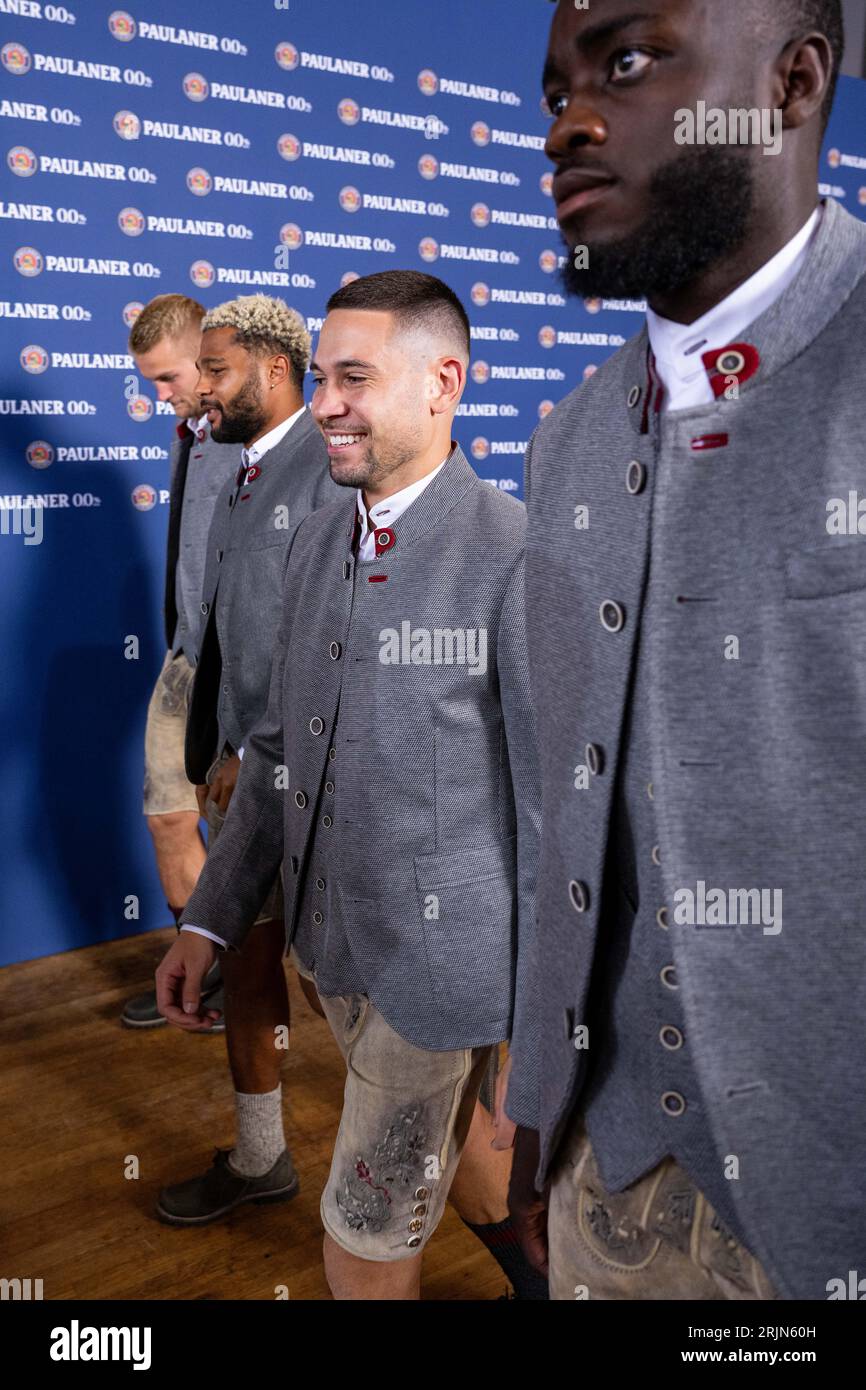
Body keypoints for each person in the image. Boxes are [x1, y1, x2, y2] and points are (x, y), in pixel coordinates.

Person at [506, 0, 862, 1301]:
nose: (568, 124)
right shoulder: (566, 441)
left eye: (628, 59)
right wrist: (539, 1104)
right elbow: (566, 816)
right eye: (554, 89)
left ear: (792, 81)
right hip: (609, 1169)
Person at [155, 271, 543, 1300]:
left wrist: (552, 1036)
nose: (323, 402)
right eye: (321, 377)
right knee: (471, 1178)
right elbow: (276, 751)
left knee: (361, 1249)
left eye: (353, 378)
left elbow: (564, 820)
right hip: (332, 958)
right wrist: (210, 921)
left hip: (438, 982)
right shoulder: (322, 532)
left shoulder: (518, 558)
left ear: (441, 382)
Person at [154, 294, 339, 1223]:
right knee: (252, 956)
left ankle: (512, 1230)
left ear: (274, 369)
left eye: (217, 369)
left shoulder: (334, 470)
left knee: (375, 1006)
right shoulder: (235, 463)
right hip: (242, 773)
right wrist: (224, 745)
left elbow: (330, 643)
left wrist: (266, 750)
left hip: (315, 784)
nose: (203, 389)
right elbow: (232, 626)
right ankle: (262, 1154)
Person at [123, 294, 239, 1030]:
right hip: (184, 659)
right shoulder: (190, 431)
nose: (159, 396)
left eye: (167, 378)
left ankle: (246, 986)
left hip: (241, 670)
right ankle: (197, 976)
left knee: (237, 841)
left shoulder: (266, 434)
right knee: (168, 817)